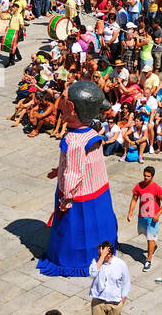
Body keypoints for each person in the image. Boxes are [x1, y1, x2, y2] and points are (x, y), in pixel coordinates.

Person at [39, 81, 119, 277]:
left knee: (77, 231)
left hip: (79, 197)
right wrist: (59, 169)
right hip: (98, 190)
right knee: (99, 225)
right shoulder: (92, 133)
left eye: (64, 100)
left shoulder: (73, 141)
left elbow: (73, 172)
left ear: (72, 108)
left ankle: (76, 260)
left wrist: (66, 197)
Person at [126, 166, 162, 271]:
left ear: (152, 176)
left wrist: (158, 214)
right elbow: (134, 199)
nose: (145, 178)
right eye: (144, 175)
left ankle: (148, 260)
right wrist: (130, 211)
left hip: (152, 218)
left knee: (150, 238)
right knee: (145, 234)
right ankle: (154, 246)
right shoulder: (139, 186)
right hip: (142, 216)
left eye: (148, 176)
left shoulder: (156, 188)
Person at [88, 240, 130, 315]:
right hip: (98, 301)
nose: (99, 255)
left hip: (115, 302)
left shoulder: (120, 264)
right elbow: (93, 273)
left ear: (110, 254)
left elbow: (126, 282)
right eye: (99, 253)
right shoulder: (96, 262)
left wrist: (122, 300)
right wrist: (101, 258)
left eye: (102, 253)